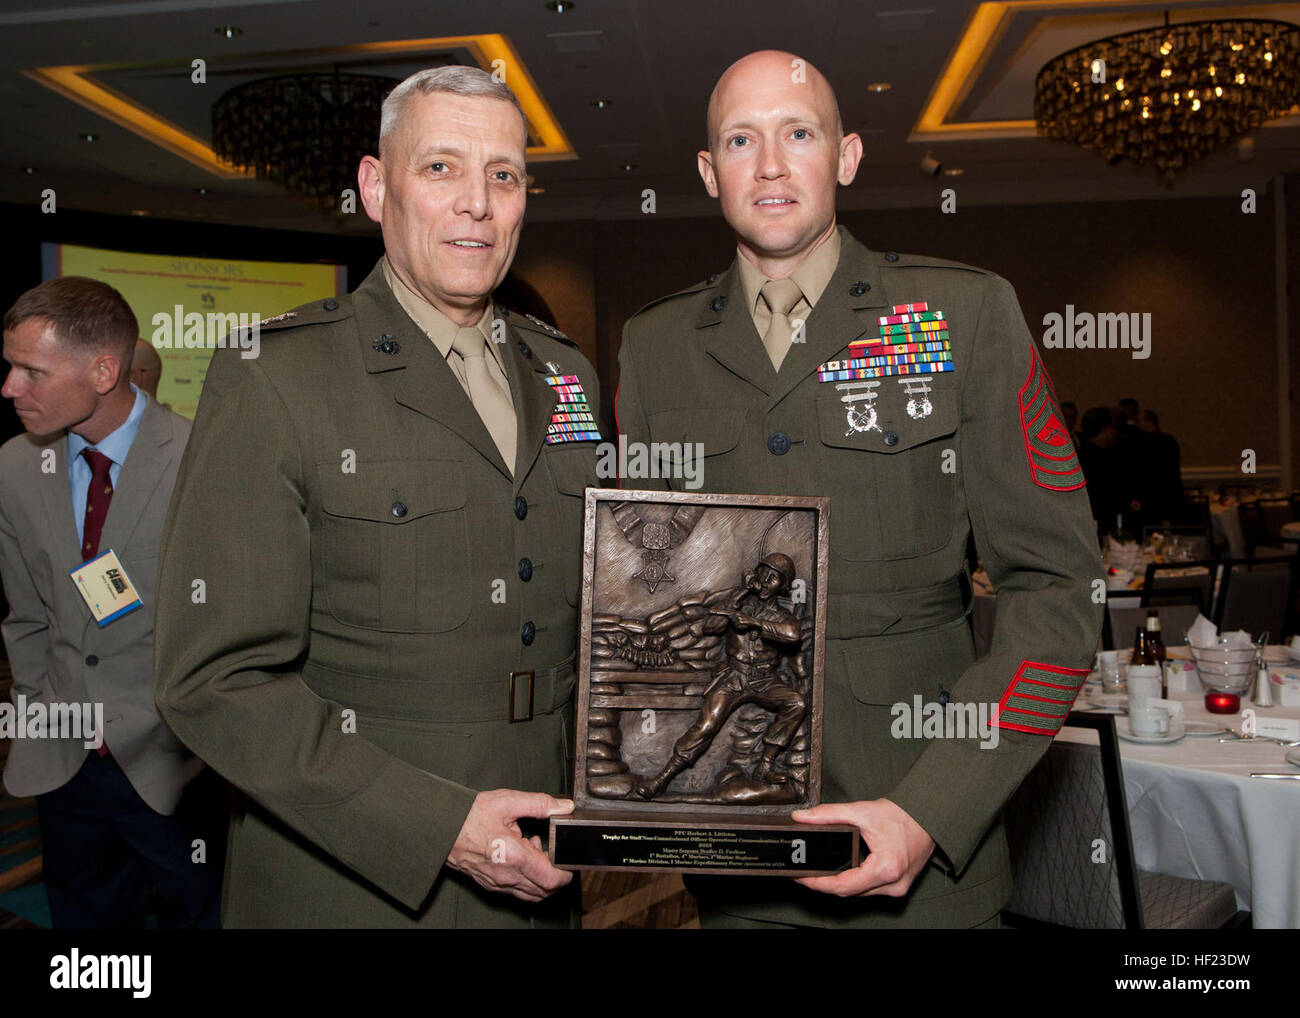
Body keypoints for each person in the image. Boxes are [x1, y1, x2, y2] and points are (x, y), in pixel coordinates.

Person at [614, 50, 1102, 928]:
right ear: (707, 171)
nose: (769, 164)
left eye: (798, 133)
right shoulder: (655, 348)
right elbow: (644, 579)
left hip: (923, 842)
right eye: (740, 139)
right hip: (738, 852)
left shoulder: (960, 315)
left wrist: (935, 809)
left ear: (845, 156)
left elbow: (1060, 590)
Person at [152, 66, 602, 927]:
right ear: (374, 187)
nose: (478, 201)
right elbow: (212, 681)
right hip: (357, 884)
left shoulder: (565, 372)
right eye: (441, 168)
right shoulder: (277, 377)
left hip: (544, 875)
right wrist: (440, 828)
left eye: (503, 175)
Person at [0, 276, 222, 927]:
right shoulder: (14, 466)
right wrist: (39, 723)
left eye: (30, 371)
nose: (10, 388)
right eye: (10, 367)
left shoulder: (200, 461)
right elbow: (27, 618)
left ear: (103, 370)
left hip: (178, 766)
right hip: (63, 766)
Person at [630, 553, 806, 800]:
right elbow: (711, 626)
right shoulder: (739, 603)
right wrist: (739, 597)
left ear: (784, 586)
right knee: (706, 726)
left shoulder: (783, 618)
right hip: (734, 676)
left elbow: (792, 635)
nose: (766, 581)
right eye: (762, 574)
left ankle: (765, 765)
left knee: (796, 703)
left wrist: (754, 623)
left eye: (774, 578)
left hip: (765, 680)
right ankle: (661, 779)